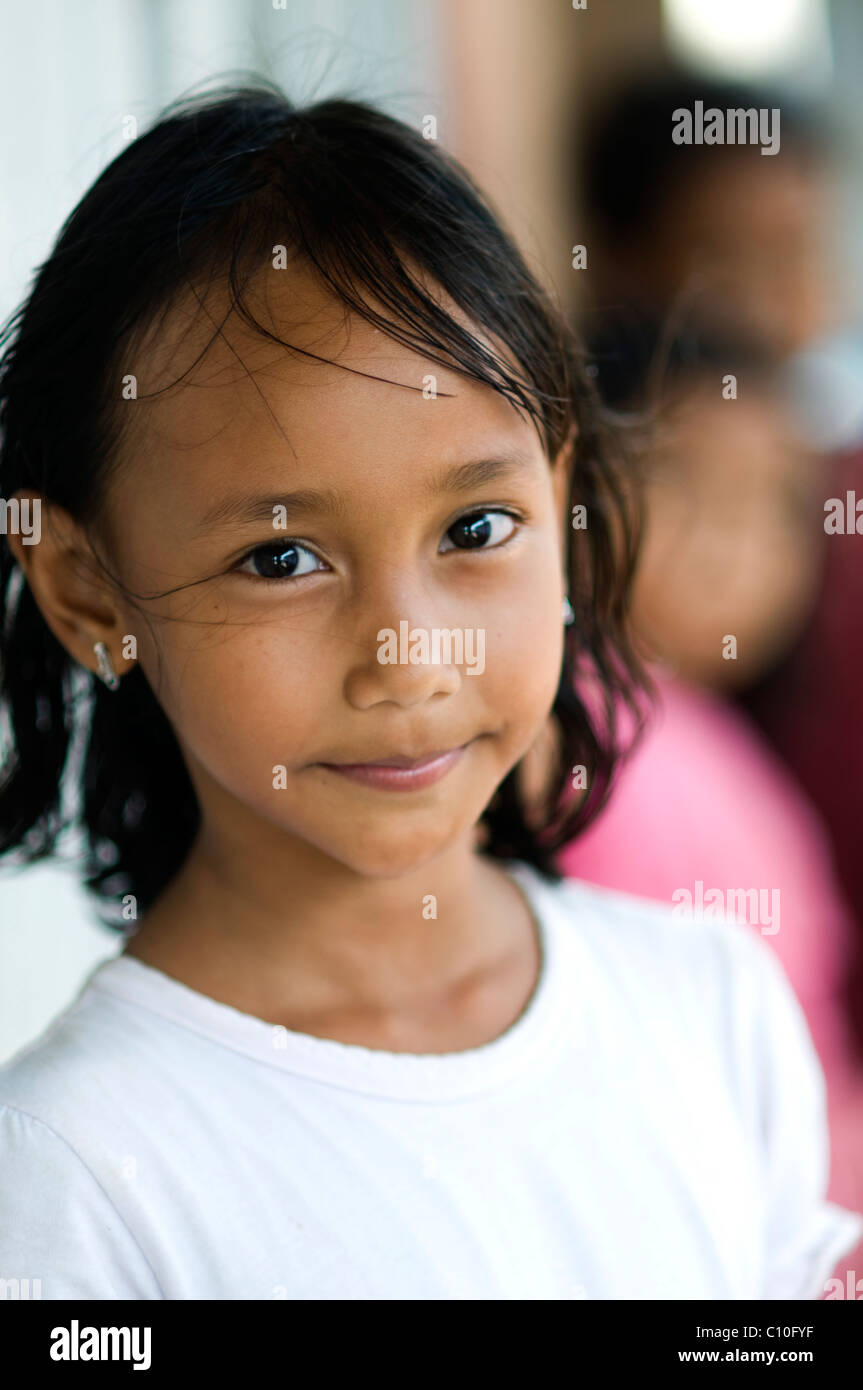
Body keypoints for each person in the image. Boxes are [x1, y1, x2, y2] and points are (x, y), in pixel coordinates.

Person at [0, 82, 859, 1301]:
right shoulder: (74, 1178)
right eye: (282, 558)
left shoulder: (707, 1008)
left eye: (475, 525)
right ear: (90, 594)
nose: (409, 656)